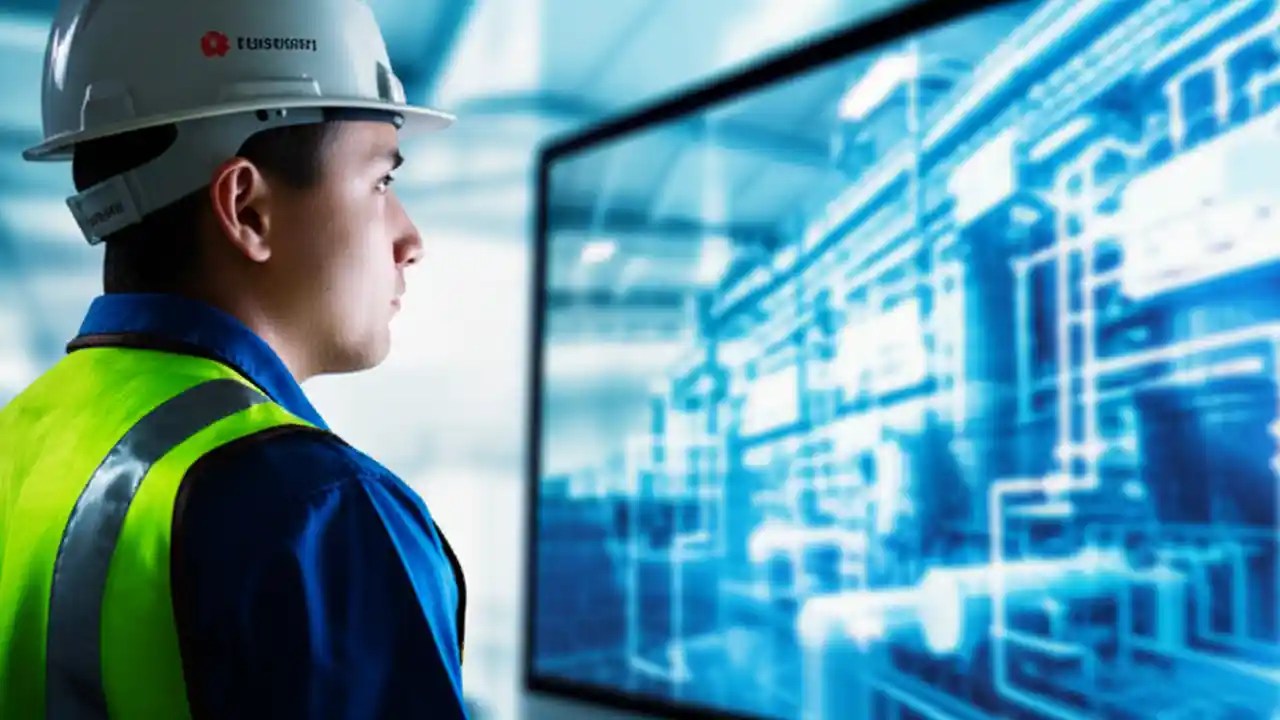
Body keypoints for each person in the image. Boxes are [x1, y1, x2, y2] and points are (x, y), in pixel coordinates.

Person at [0, 0, 468, 717]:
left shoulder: (21, 439)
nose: (410, 238)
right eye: (381, 181)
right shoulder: (315, 513)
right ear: (247, 209)